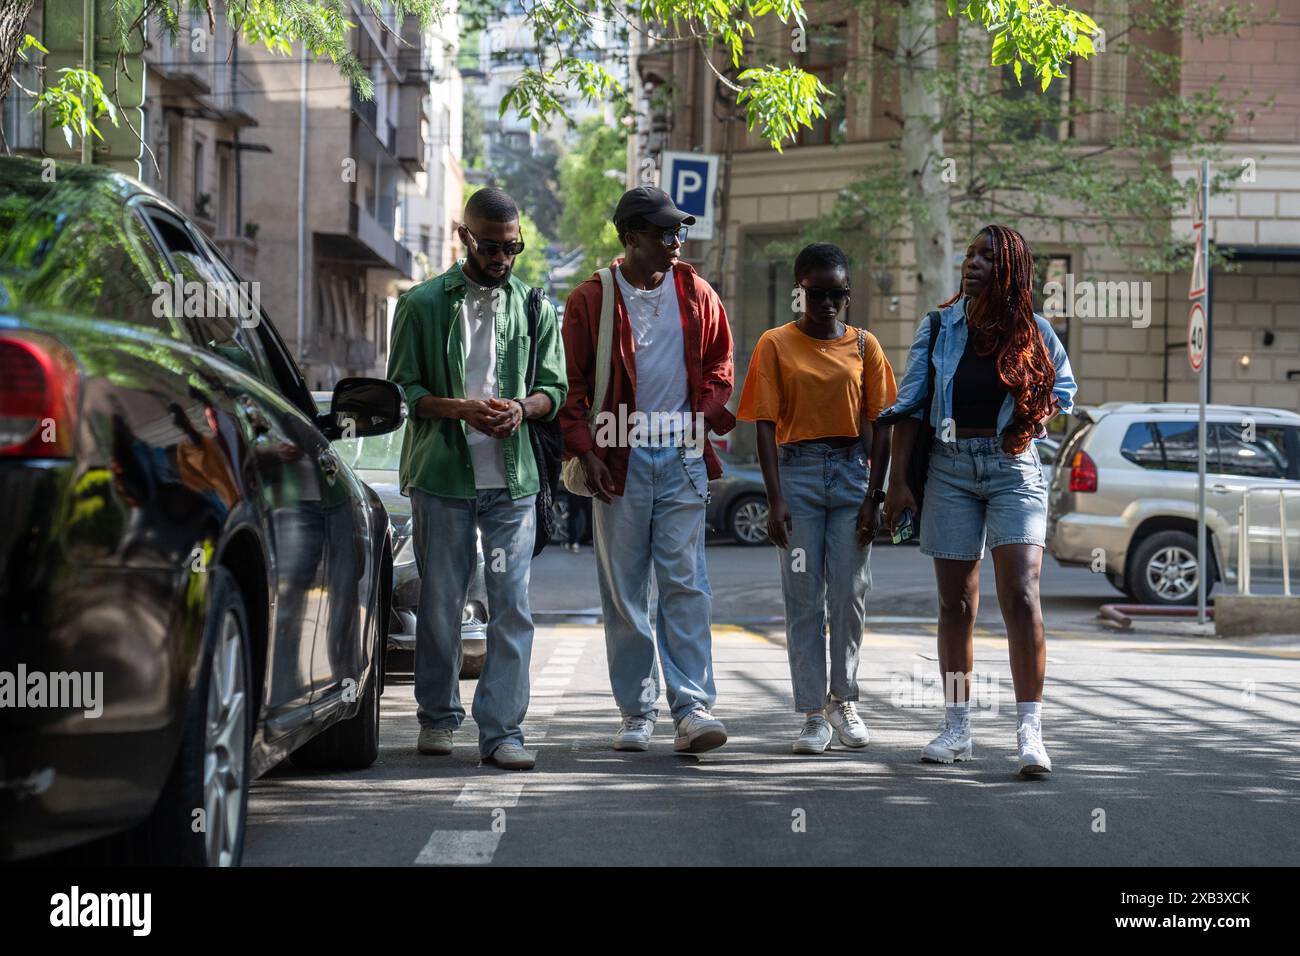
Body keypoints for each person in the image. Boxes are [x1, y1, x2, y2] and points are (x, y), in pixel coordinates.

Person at [881, 224, 1076, 776]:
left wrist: (1030, 418)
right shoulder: (939, 327)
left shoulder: (1035, 332)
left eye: (987, 257)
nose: (973, 264)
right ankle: (957, 727)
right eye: (969, 255)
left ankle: (1030, 732)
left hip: (1013, 468)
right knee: (957, 605)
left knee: (1021, 593)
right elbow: (910, 405)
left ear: (1009, 268)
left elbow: (1063, 387)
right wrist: (898, 485)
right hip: (950, 468)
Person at [387, 187, 567, 771]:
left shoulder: (534, 306)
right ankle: (438, 717)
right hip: (442, 477)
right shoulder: (421, 305)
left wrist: (521, 407)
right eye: (491, 246)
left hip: (511, 480)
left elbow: (556, 391)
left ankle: (502, 732)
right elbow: (403, 394)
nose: (502, 257)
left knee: (511, 605)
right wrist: (461, 409)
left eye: (512, 246)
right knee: (440, 603)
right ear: (464, 237)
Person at [560, 186, 736, 754]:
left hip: (682, 455)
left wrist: (698, 415)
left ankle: (692, 708)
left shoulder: (698, 294)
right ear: (631, 237)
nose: (676, 243)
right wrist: (585, 450)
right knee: (626, 590)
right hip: (619, 458)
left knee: (687, 585)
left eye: (680, 232)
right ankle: (636, 711)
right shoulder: (591, 299)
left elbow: (721, 367)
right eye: (665, 234)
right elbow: (571, 385)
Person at [736, 243, 897, 754]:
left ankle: (843, 699)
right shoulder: (775, 344)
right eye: (817, 293)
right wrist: (774, 499)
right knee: (803, 597)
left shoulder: (865, 346)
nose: (828, 302)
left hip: (852, 475)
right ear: (799, 292)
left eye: (838, 293)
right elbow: (763, 426)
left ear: (847, 296)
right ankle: (811, 713)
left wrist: (877, 496)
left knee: (849, 593)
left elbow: (880, 424)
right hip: (797, 475)